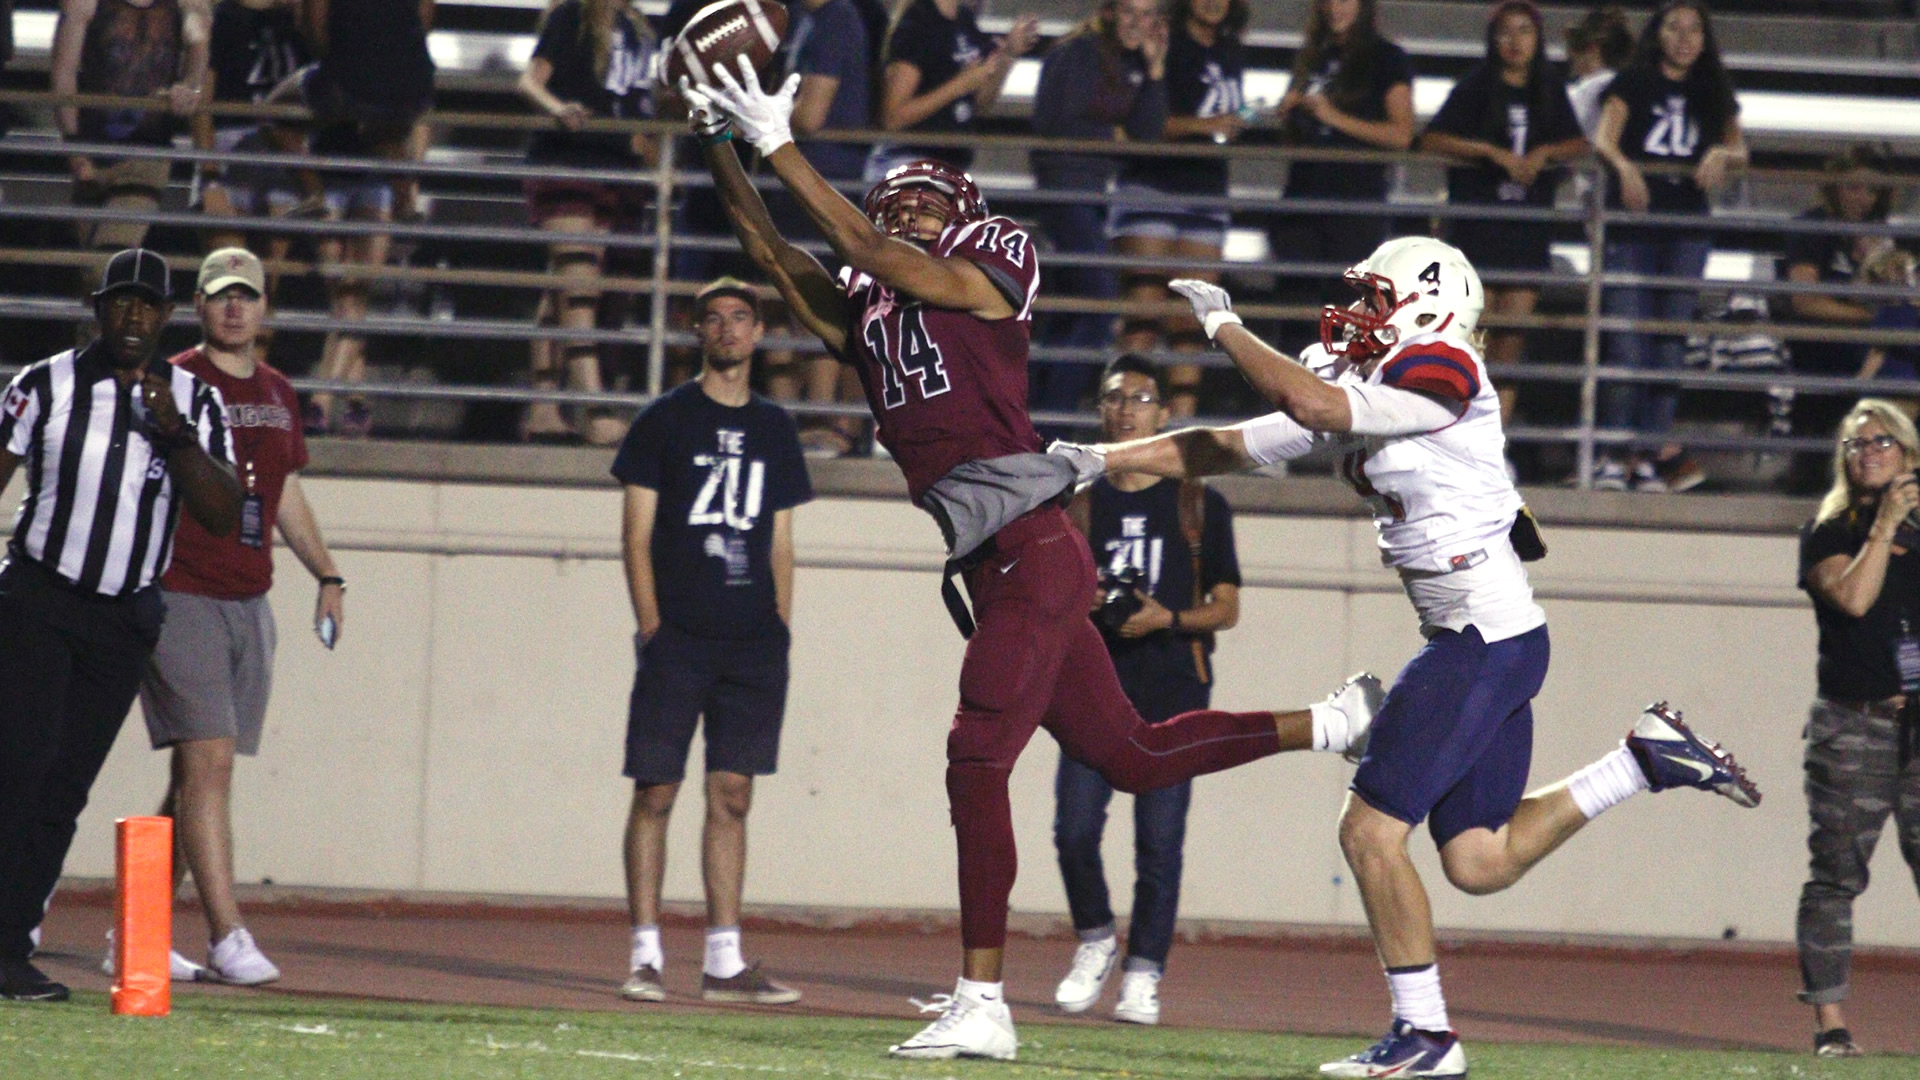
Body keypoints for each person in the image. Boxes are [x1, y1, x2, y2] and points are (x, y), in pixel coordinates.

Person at [682, 59, 1380, 1061]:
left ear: (962, 210)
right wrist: (722, 142)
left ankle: (984, 998)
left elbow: (878, 252)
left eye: (929, 197)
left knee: (976, 760)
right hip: (1000, 558)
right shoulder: (875, 308)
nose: (912, 207)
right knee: (1131, 756)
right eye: (900, 196)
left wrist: (782, 143)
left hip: (1032, 551)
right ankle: (1335, 721)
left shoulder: (989, 255)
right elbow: (777, 251)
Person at [1050, 236, 1762, 1078]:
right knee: (1477, 860)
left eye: (1374, 299)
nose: (1355, 314)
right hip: (1495, 638)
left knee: (1369, 833)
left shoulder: (1446, 366)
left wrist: (1228, 331)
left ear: (1428, 304)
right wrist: (1100, 459)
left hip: (1481, 641)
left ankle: (1426, 1037)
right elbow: (1226, 446)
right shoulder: (1369, 372)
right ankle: (1640, 760)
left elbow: (1312, 410)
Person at [0, 248, 243, 1003]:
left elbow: (224, 515)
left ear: (167, 316)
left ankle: (9, 949)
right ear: (96, 306)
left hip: (123, 618)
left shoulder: (196, 402)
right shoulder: (43, 384)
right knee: (18, 771)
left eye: (147, 306)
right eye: (121, 303)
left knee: (64, 787)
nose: (133, 318)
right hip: (40, 597)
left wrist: (174, 435)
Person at [124, 247, 343, 987]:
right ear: (201, 305)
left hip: (250, 596)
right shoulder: (176, 382)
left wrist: (328, 571)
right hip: (183, 588)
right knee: (208, 762)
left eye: (246, 295)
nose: (234, 308)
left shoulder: (279, 390)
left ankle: (138, 932)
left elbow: (283, 493)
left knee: (199, 772)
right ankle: (227, 933)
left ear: (264, 306)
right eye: (221, 296)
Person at [612, 278, 812, 1007]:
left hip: (752, 641)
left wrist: (779, 624)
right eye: (715, 319)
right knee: (655, 791)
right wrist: (652, 626)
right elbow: (635, 534)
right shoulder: (664, 420)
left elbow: (782, 542)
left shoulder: (775, 427)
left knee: (733, 794)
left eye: (741, 318)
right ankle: (645, 955)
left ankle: (724, 961)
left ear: (759, 332)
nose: (728, 330)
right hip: (681, 637)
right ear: (697, 332)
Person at [1050, 354, 1240, 1026]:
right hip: (1093, 689)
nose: (1125, 408)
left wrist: (1169, 617)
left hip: (1172, 690)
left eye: (1140, 397)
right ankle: (1097, 938)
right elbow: (1045, 596)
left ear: (1164, 415)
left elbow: (1227, 606)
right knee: (1073, 831)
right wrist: (1085, 600)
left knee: (1159, 844)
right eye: (1113, 397)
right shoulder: (1077, 504)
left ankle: (1144, 972)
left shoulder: (1197, 501)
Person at [1793, 399, 1920, 1060]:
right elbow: (1855, 598)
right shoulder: (1829, 528)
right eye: (1855, 443)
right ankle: (1831, 1026)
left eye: (1882, 441)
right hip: (1853, 725)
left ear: (1908, 453)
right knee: (1836, 875)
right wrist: (1885, 527)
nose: (1868, 451)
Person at [1590, 0, 1745, 493]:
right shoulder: (1633, 82)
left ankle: (1649, 455)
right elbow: (1602, 140)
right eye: (1674, 27)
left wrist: (1722, 152)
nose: (1684, 37)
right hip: (1635, 227)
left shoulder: (1714, 89)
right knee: (1628, 340)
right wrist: (1626, 167)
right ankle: (1614, 452)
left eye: (1693, 29)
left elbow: (1739, 147)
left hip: (1686, 227)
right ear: (1657, 33)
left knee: (1669, 346)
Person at [1419, 0, 1585, 427]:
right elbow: (1432, 140)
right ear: (1493, 39)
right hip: (1477, 231)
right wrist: (1489, 152)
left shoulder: (1549, 90)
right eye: (1506, 32)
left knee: (1510, 344)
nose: (1515, 42)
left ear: (1538, 39)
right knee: (1471, 340)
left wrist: (1545, 152)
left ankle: (1494, 445)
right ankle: (1456, 437)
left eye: (1524, 32)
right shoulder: (1475, 87)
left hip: (1526, 233)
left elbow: (1579, 144)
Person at [516, 0, 659, 446]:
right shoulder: (573, 15)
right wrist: (557, 108)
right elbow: (529, 81)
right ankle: (594, 408)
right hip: (569, 160)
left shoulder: (635, 27)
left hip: (613, 165)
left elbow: (639, 104)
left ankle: (543, 408)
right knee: (579, 287)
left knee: (564, 287)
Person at [1029, 0, 1168, 419]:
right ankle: (1053, 414)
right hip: (1064, 190)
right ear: (1109, 12)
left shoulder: (1134, 61)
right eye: (1129, 13)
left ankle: (1038, 415)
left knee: (1072, 313)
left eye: (1147, 15)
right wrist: (1113, 134)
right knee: (1101, 302)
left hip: (1096, 197)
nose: (1137, 24)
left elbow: (1149, 133)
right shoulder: (1078, 52)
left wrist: (1156, 71)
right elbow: (1057, 123)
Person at [1109, 0, 1235, 417]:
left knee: (1192, 322)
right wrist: (1207, 126)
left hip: (1206, 188)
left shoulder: (1230, 48)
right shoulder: (1165, 41)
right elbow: (1143, 123)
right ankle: (1123, 422)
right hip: (1154, 184)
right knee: (1144, 311)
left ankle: (1182, 430)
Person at [767, 0, 873, 457]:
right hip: (804, 180)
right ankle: (796, 420)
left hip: (821, 180)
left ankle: (824, 420)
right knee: (790, 305)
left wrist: (756, 115)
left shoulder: (834, 19)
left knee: (817, 301)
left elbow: (811, 115)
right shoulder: (804, 19)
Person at [1271, 0, 1414, 339]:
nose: (1336, 8)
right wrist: (1290, 113)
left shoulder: (1388, 57)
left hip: (1354, 208)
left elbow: (1401, 134)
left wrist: (1331, 116)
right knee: (1296, 320)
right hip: (1301, 203)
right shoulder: (1312, 55)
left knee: (1347, 322)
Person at [51, 0, 214, 257]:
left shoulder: (187, 4)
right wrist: (76, 150)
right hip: (92, 148)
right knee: (90, 266)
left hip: (148, 153)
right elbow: (64, 74)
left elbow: (198, 49)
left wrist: (189, 87)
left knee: (110, 257)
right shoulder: (83, 4)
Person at [1781, 145, 1897, 473]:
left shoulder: (1879, 233)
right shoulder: (1813, 227)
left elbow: (1894, 298)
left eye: (1872, 190)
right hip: (1822, 338)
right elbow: (1805, 301)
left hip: (1869, 338)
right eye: (1854, 187)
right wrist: (1871, 319)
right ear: (1834, 185)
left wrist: (1874, 265)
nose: (1863, 198)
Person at [195, 0, 308, 268]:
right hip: (228, 142)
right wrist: (210, 178)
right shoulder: (223, 18)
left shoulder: (300, 23)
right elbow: (202, 102)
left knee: (269, 277)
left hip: (285, 149)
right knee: (231, 270)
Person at [869, 0, 1038, 176]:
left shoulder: (964, 21)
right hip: (910, 163)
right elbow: (893, 117)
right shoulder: (918, 24)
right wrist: (960, 85)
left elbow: (978, 104)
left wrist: (1007, 56)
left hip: (950, 167)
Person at [1563, 5, 1632, 138]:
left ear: (1592, 49)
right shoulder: (1631, 85)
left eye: (1576, 49)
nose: (1572, 61)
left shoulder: (1582, 91)